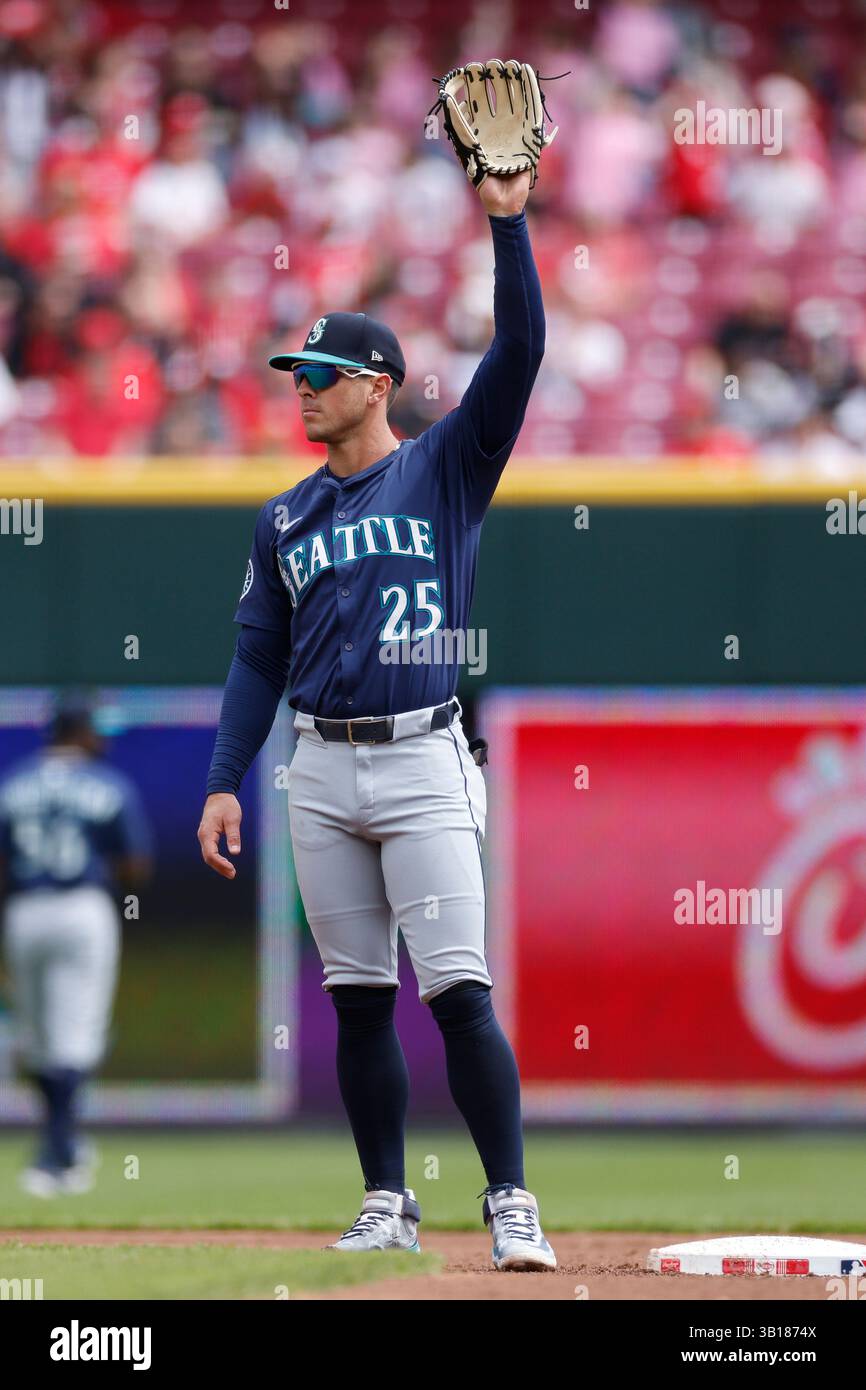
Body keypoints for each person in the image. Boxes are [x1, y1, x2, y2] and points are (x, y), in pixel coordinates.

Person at [198, 168, 557, 1271]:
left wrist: (507, 222)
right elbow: (259, 652)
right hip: (319, 767)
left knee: (455, 991)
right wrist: (224, 775)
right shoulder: (285, 515)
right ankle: (386, 1200)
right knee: (357, 1001)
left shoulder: (443, 467)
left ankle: (508, 1200)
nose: (299, 388)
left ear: (378, 383)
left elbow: (521, 354)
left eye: (319, 373)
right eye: (295, 373)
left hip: (420, 759)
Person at [0, 698, 152, 1197]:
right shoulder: (106, 784)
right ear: (81, 734)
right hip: (82, 909)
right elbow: (135, 864)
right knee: (74, 1034)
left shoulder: (13, 783)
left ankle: (59, 1145)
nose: (102, 740)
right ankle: (58, 1152)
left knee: (38, 1036)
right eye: (96, 732)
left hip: (24, 912)